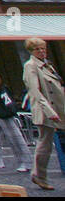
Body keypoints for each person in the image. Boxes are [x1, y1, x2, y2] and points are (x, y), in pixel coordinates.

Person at [23, 37, 64, 191]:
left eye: (43, 49)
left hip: (57, 108)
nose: (41, 51)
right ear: (31, 51)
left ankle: (38, 175)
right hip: (47, 110)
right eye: (37, 49)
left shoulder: (46, 65)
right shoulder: (31, 66)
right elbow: (35, 91)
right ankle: (39, 175)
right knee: (44, 144)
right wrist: (49, 111)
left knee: (45, 144)